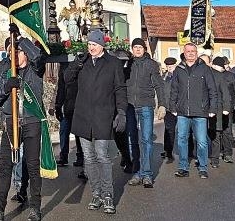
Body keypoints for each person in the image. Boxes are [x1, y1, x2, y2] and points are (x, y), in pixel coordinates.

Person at [0, 33, 46, 221]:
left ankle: (35, 208)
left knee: (32, 166)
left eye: (19, 51)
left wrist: (20, 39)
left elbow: (39, 57)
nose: (14, 55)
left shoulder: (35, 70)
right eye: (12, 51)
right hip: (10, 123)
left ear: (26, 53)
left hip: (31, 122)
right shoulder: (7, 70)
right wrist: (6, 87)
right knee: (5, 166)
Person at [72, 29, 127, 214]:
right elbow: (66, 79)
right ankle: (96, 193)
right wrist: (75, 64)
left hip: (104, 115)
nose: (91, 48)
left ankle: (108, 195)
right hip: (83, 116)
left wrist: (122, 112)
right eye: (89, 44)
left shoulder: (113, 63)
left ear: (102, 45)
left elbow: (120, 88)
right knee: (88, 157)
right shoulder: (82, 61)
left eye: (94, 44)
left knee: (102, 156)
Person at [169, 43, 218, 179]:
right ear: (184, 53)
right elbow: (174, 90)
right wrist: (172, 106)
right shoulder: (179, 69)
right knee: (182, 140)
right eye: (188, 51)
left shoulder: (204, 69)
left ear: (196, 53)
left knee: (201, 141)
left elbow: (212, 90)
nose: (190, 53)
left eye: (193, 51)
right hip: (183, 111)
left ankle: (202, 167)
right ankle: (183, 167)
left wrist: (212, 108)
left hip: (201, 111)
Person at [122, 38, 162, 188]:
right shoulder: (128, 64)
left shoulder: (151, 64)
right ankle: (137, 172)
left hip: (146, 105)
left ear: (144, 49)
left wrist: (162, 105)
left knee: (146, 140)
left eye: (140, 47)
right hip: (130, 106)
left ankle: (147, 174)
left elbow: (159, 84)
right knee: (133, 140)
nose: (137, 50)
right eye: (135, 47)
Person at [208, 56, 235, 167]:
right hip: (216, 108)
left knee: (225, 131)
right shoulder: (211, 75)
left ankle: (227, 154)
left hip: (226, 108)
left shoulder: (230, 76)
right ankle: (216, 158)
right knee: (215, 133)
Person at [54, 55, 84, 168]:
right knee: (64, 131)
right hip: (67, 106)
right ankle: (64, 156)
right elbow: (61, 89)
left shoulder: (81, 68)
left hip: (78, 105)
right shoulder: (64, 69)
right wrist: (57, 105)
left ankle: (80, 156)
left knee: (78, 133)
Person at [159, 57, 178, 163]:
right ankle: (168, 150)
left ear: (175, 65)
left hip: (178, 107)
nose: (169, 68)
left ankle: (189, 150)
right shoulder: (164, 77)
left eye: (171, 66)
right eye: (167, 66)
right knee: (168, 129)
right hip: (168, 108)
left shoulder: (179, 75)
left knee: (186, 131)